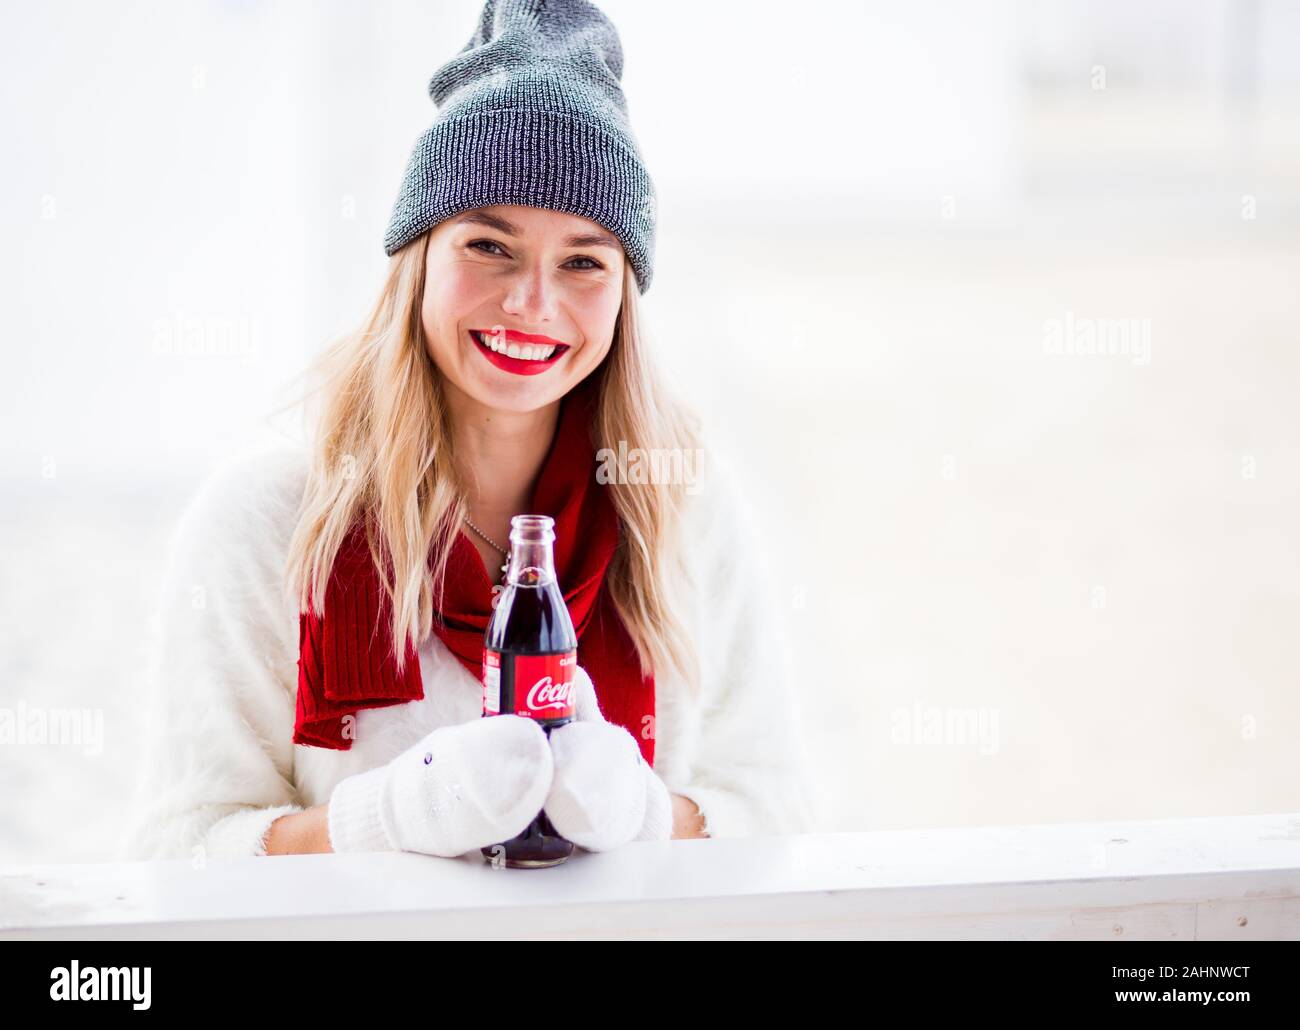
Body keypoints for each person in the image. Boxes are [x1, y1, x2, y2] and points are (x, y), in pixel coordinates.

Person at [119, 0, 817, 862]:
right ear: (418, 259)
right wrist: (384, 820)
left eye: (584, 260)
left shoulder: (685, 509)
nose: (533, 302)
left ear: (625, 292)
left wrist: (642, 815)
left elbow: (774, 818)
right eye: (489, 245)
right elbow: (176, 853)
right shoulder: (267, 521)